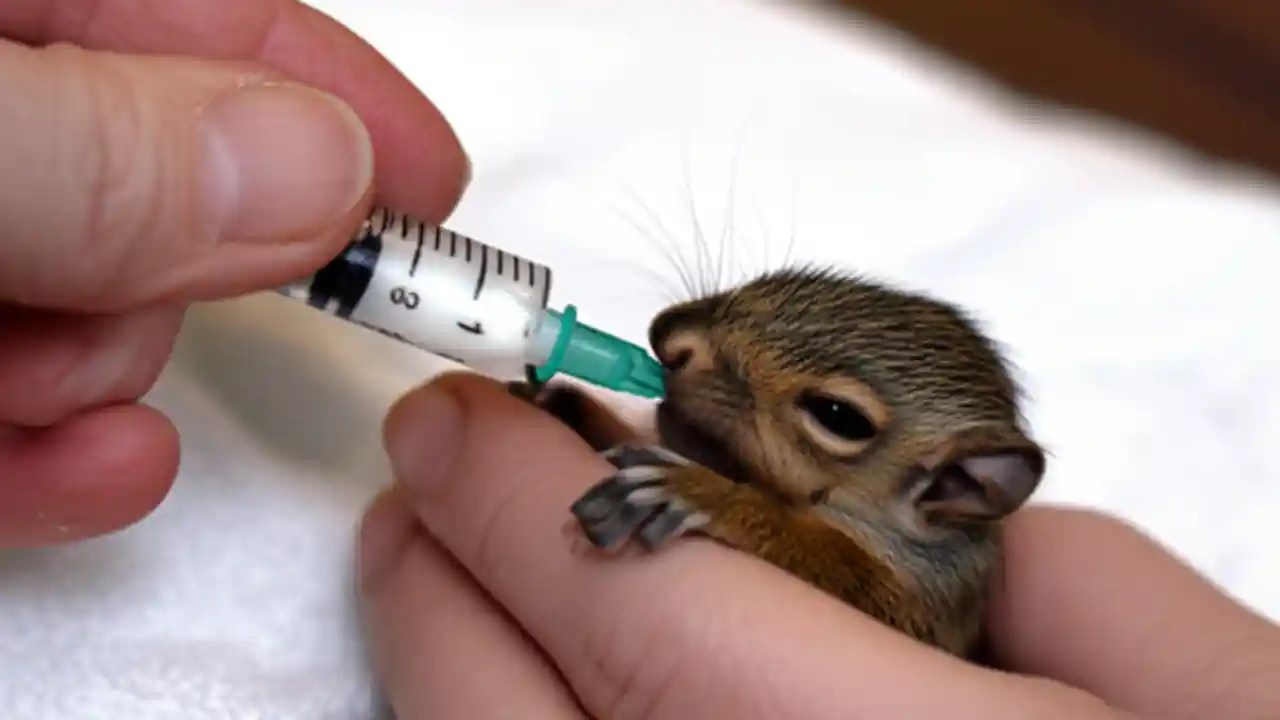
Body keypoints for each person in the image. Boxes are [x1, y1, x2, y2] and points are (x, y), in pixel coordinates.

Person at [1, 2, 1275, 717]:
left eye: (828, 416)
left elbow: (835, 583)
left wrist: (702, 500)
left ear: (950, 493)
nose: (678, 352)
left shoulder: (907, 571)